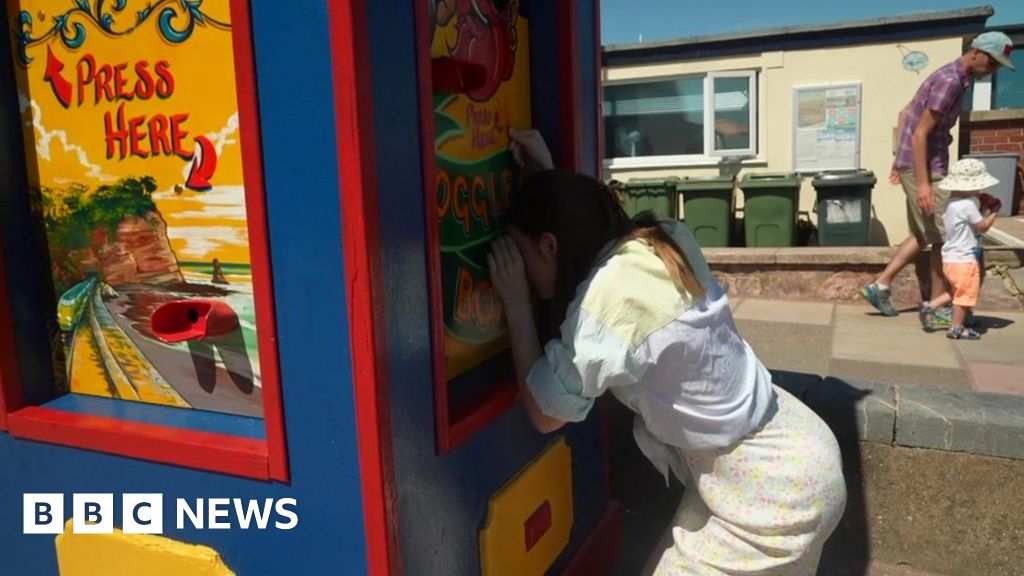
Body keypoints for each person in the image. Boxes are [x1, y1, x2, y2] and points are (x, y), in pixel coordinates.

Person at [491, 129, 846, 574]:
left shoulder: (604, 307)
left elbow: (547, 412)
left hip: (771, 491)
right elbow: (584, 224)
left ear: (548, 244)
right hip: (793, 450)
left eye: (520, 258)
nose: (519, 270)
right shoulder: (661, 236)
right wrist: (548, 179)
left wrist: (518, 307)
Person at [861, 31, 1014, 329]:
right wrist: (922, 183)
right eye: (993, 63)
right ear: (977, 53)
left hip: (918, 164)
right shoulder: (950, 82)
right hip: (928, 167)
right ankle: (939, 306)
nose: (993, 71)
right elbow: (920, 132)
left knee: (925, 233)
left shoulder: (949, 76)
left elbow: (906, 112)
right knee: (946, 237)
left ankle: (880, 285)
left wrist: (899, 161)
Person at [935, 159, 1001, 340]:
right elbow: (982, 227)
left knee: (955, 291)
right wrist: (994, 211)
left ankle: (930, 306)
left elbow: (967, 222)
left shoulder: (951, 203)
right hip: (964, 259)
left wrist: (982, 205)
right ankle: (956, 327)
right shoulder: (968, 205)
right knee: (964, 295)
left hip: (950, 257)